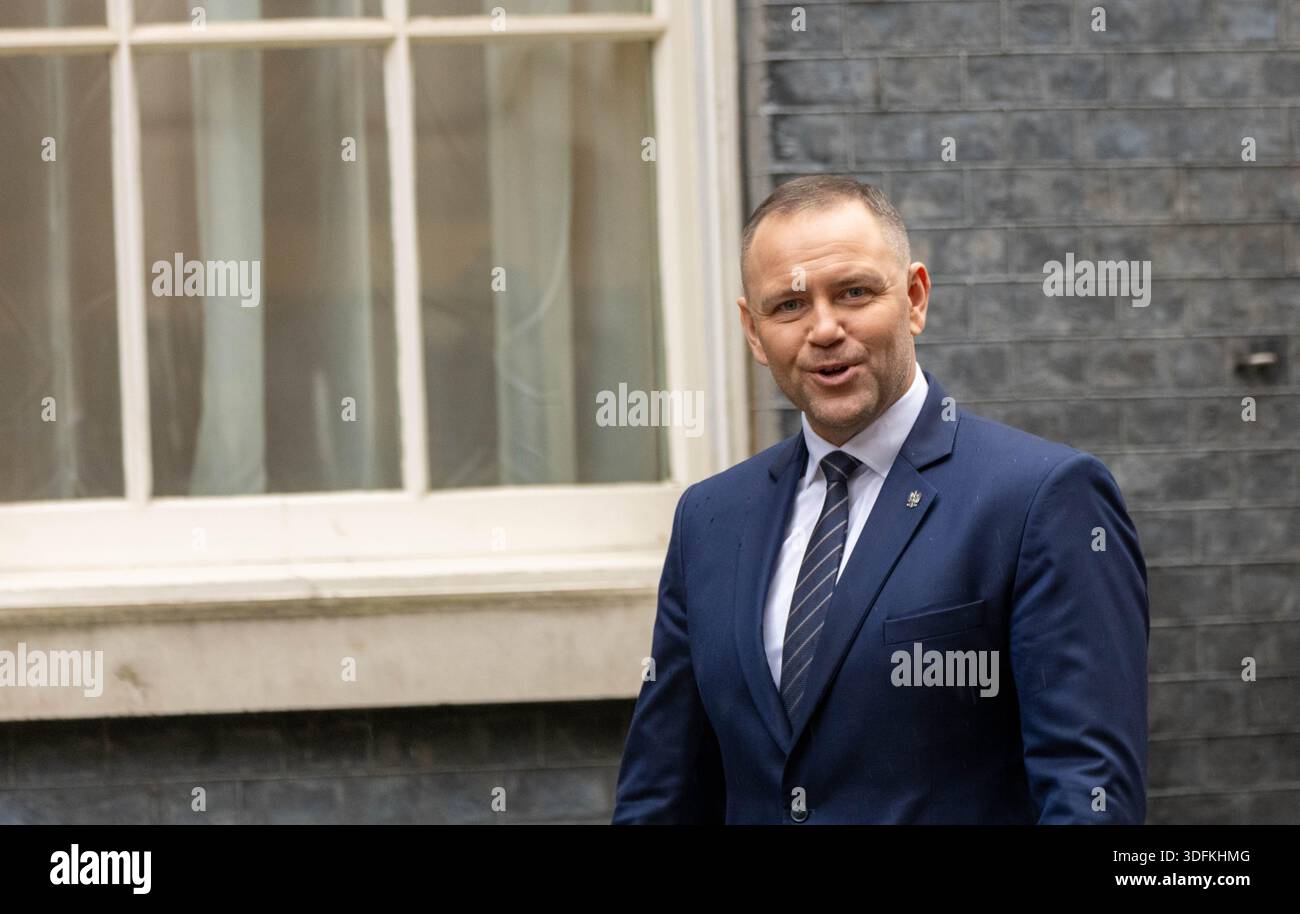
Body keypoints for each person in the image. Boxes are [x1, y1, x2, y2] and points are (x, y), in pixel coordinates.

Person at [611, 175, 1149, 824]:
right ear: (753, 332)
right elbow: (661, 794)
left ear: (915, 298)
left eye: (854, 293)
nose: (824, 329)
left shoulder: (1043, 500)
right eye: (789, 305)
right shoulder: (709, 520)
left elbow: (1088, 796)